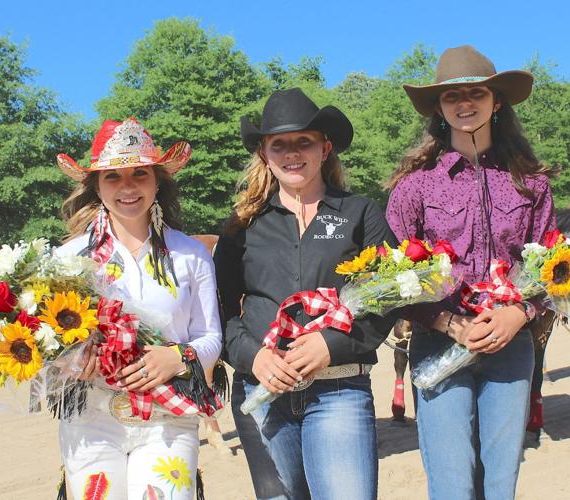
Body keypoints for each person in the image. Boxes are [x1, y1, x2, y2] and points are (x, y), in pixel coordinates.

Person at [385, 45, 557, 500]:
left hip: (510, 343)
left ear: (496, 101)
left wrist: (519, 314)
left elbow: (554, 265)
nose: (465, 103)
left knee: (501, 480)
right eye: (452, 96)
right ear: (439, 109)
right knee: (451, 480)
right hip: (438, 341)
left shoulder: (531, 182)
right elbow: (389, 277)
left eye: (476, 93)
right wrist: (446, 321)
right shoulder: (414, 186)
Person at [214, 88, 397, 500]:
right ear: (264, 152)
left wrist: (331, 345)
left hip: (339, 391)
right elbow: (220, 309)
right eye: (279, 144)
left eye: (304, 141)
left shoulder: (361, 213)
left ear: (325, 147)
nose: (292, 153)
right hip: (262, 392)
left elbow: (385, 300)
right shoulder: (242, 225)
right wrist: (252, 356)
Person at [54, 118, 222, 499]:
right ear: (96, 186)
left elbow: (212, 337)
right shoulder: (66, 260)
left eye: (139, 174)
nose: (127, 187)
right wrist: (71, 361)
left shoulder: (191, 255)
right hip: (89, 421)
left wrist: (177, 357)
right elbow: (47, 347)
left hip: (170, 420)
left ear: (157, 181)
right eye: (112, 176)